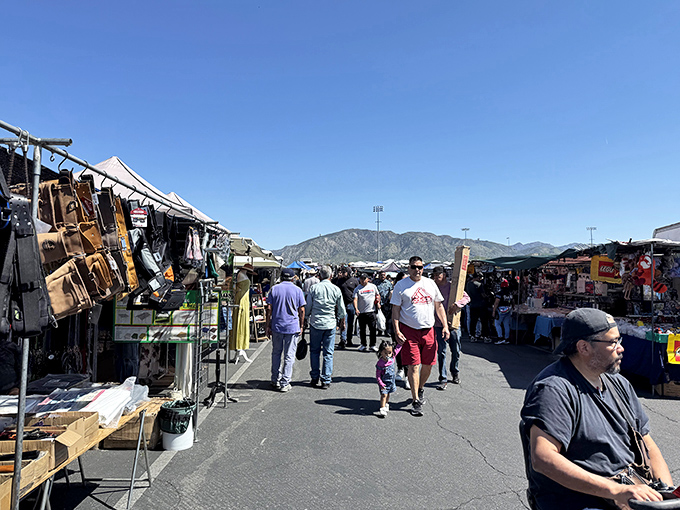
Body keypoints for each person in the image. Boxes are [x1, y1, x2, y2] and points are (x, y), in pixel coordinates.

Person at [520, 308, 674, 510]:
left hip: (628, 490)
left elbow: (647, 443)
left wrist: (667, 492)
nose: (621, 348)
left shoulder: (618, 383)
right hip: (580, 500)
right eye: (613, 342)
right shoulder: (553, 389)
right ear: (583, 347)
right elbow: (543, 458)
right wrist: (614, 490)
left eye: (620, 341)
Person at [391, 256, 449, 416]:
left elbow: (439, 306)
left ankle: (420, 387)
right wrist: (397, 330)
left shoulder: (430, 284)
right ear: (409, 268)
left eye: (420, 267)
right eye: (414, 267)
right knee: (413, 366)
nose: (417, 270)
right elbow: (395, 310)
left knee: (428, 365)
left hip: (428, 330)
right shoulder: (401, 285)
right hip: (409, 331)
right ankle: (416, 400)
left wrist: (445, 325)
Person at [306, 265, 346, 389]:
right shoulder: (336, 289)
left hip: (316, 323)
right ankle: (326, 379)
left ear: (319, 275)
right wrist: (342, 322)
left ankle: (314, 376)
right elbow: (341, 309)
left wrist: (305, 319)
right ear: (331, 276)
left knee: (314, 351)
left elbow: (308, 307)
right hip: (330, 323)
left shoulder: (314, 288)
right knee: (328, 353)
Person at [266, 268, 306, 392]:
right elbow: (302, 310)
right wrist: (301, 325)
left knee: (276, 353)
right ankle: (285, 382)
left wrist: (267, 325)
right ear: (293, 278)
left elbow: (269, 309)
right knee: (289, 355)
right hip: (292, 326)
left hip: (277, 325)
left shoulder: (274, 289)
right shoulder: (298, 290)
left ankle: (275, 379)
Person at [431, 266, 470, 389]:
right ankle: (443, 378)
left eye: (438, 275)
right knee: (441, 352)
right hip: (438, 325)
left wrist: (457, 304)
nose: (436, 277)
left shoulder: (453, 286)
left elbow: (467, 298)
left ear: (444, 275)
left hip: (453, 325)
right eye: (435, 275)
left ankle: (455, 371)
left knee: (456, 351)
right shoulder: (432, 287)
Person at [230, 263, 255, 363]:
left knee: (242, 325)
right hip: (241, 301)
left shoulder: (242, 275)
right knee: (240, 325)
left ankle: (241, 346)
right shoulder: (241, 275)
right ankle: (239, 345)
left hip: (243, 301)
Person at [353, 273, 381, 352]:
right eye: (361, 279)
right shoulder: (358, 289)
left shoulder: (373, 287)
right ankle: (363, 344)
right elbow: (355, 299)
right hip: (362, 312)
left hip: (371, 311)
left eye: (364, 279)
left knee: (372, 329)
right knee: (362, 330)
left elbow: (377, 295)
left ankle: (373, 345)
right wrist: (356, 309)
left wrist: (378, 302)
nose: (362, 281)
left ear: (367, 279)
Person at [375, 339, 402, 417]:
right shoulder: (380, 363)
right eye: (385, 353)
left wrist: (400, 344)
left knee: (388, 394)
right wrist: (381, 384)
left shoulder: (392, 358)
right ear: (381, 352)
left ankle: (386, 404)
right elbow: (378, 375)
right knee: (384, 395)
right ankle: (382, 408)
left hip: (391, 382)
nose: (387, 355)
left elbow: (397, 350)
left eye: (389, 353)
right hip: (383, 383)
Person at [335, 267, 359, 349]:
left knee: (350, 324)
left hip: (351, 304)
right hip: (342, 305)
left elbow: (358, 293)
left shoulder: (354, 281)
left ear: (348, 272)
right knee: (343, 323)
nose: (342, 273)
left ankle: (349, 340)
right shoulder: (339, 281)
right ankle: (343, 340)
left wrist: (357, 307)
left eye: (344, 272)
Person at [465, 272, 491, 343]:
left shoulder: (468, 284)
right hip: (481, 305)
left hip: (472, 305)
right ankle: (485, 336)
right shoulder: (479, 285)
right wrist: (488, 296)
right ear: (478, 277)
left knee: (473, 321)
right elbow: (483, 295)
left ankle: (472, 336)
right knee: (484, 321)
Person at [492, 278, 514, 345]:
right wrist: (513, 307)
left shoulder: (499, 293)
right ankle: (506, 338)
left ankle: (500, 338)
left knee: (497, 324)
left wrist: (493, 311)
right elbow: (513, 301)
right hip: (508, 309)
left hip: (500, 310)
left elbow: (496, 303)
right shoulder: (509, 293)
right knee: (506, 324)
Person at [374, 271, 393, 336]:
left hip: (386, 303)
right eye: (381, 275)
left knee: (387, 318)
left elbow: (391, 291)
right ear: (379, 275)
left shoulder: (388, 283)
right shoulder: (375, 283)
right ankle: (379, 330)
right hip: (378, 303)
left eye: (384, 275)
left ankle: (387, 331)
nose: (382, 276)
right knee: (378, 317)